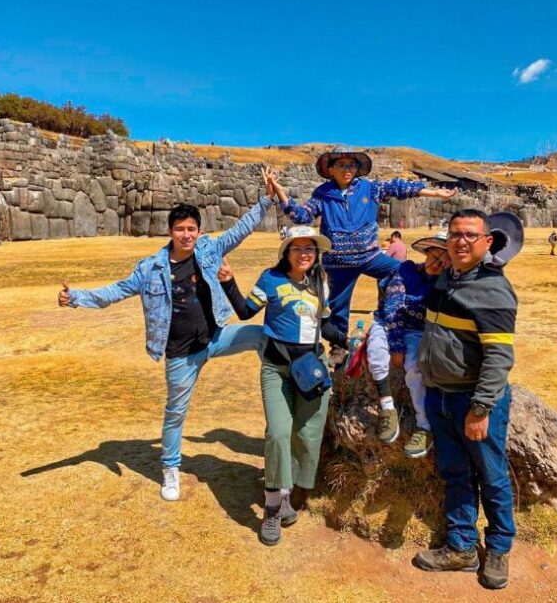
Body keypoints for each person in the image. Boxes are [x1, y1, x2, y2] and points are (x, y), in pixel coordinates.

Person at [58, 173, 277, 502]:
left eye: (191, 229)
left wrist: (267, 200)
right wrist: (76, 297)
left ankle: (281, 387)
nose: (186, 235)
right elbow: (115, 291)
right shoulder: (150, 269)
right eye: (180, 229)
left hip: (215, 337)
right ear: (170, 231)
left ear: (199, 231)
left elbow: (240, 230)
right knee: (176, 412)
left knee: (262, 335)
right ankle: (171, 469)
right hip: (181, 354)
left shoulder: (208, 250)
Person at [217, 226, 347, 546]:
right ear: (286, 252)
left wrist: (348, 340)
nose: (304, 253)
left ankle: (287, 493)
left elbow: (325, 323)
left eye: (310, 249)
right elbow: (246, 311)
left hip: (311, 371)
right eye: (297, 248)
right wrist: (228, 283)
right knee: (277, 432)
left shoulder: (321, 282)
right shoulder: (271, 279)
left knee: (306, 435)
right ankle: (273, 508)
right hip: (276, 370)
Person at [414, 209, 519, 591]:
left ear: (487, 242)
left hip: (470, 400)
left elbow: (499, 356)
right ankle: (460, 547)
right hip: (439, 396)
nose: (461, 241)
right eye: (455, 234)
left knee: (491, 475)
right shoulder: (447, 278)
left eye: (470, 235)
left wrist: (480, 409)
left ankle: (499, 548)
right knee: (455, 471)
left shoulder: (492, 289)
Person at [266, 146, 457, 351]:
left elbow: (398, 187)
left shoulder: (370, 188)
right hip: (338, 264)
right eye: (341, 165)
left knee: (403, 271)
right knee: (338, 310)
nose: (347, 169)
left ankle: (390, 315)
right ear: (331, 170)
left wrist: (435, 192)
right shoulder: (323, 194)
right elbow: (301, 216)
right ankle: (338, 349)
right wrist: (280, 192)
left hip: (371, 257)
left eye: (351, 165)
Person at [365, 232, 449, 457]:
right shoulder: (405, 270)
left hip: (417, 330)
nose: (437, 262)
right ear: (427, 253)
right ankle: (387, 407)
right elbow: (393, 308)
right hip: (387, 323)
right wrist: (396, 346)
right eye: (435, 255)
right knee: (376, 353)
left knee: (415, 366)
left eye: (445, 259)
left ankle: (425, 425)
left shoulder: (444, 284)